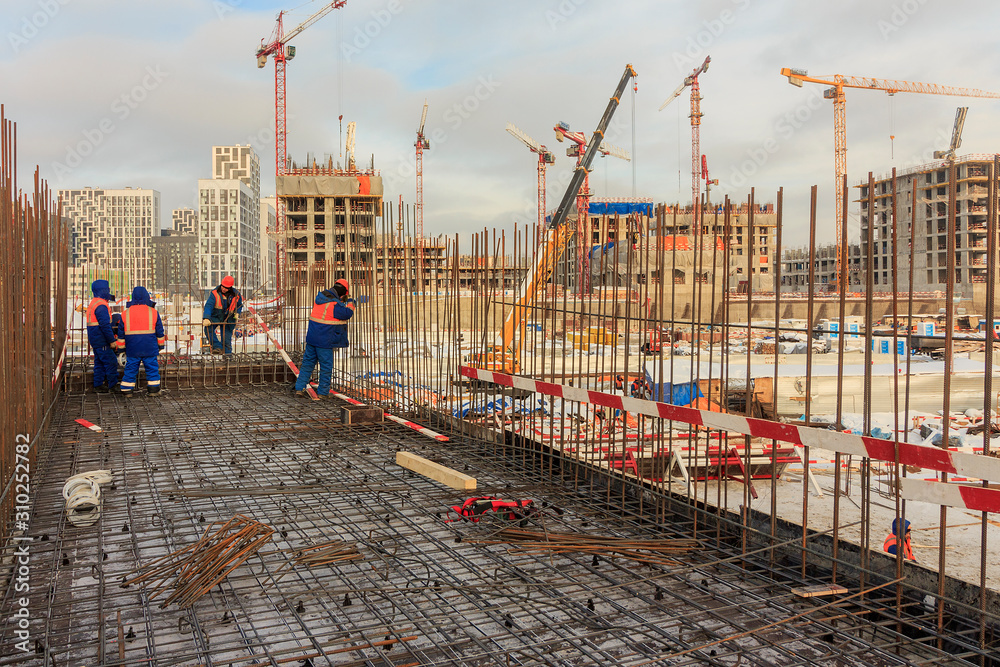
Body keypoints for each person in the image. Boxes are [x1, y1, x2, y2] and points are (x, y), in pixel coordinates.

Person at [294, 279, 356, 398]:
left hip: (312, 338)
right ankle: (323, 393)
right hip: (324, 341)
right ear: (343, 292)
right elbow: (347, 313)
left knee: (307, 364)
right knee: (326, 367)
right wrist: (350, 302)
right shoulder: (333, 304)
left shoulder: (320, 299)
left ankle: (299, 388)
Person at [115, 286, 165, 396]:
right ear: (147, 297)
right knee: (152, 368)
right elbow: (160, 332)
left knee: (131, 368)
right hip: (149, 346)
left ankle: (127, 390)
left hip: (132, 347)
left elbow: (121, 334)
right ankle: (154, 389)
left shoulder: (125, 313)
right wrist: (161, 346)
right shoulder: (153, 312)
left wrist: (121, 349)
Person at [85, 279, 120, 393]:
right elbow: (105, 325)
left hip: (95, 339)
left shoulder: (94, 302)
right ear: (104, 290)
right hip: (102, 339)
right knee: (111, 361)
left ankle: (98, 384)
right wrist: (111, 340)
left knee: (99, 362)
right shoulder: (101, 305)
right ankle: (113, 385)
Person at [202, 275, 243, 355]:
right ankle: (217, 347)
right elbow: (209, 305)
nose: (224, 289)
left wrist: (237, 313)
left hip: (229, 318)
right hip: (216, 315)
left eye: (226, 288)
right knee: (208, 329)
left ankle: (227, 359)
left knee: (226, 340)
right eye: (223, 287)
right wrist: (206, 317)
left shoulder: (236, 295)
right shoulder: (215, 293)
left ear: (230, 287)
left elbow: (239, 305)